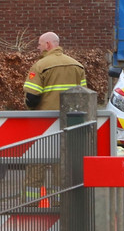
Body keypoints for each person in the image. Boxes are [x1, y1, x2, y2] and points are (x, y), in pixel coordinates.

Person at [23, 31, 87, 200]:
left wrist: (31, 109)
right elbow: (83, 96)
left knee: (36, 164)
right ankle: (61, 205)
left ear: (48, 45)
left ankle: (30, 205)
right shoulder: (77, 66)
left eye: (39, 44)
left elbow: (32, 98)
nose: (38, 48)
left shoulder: (41, 66)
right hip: (69, 124)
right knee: (62, 165)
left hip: (42, 125)